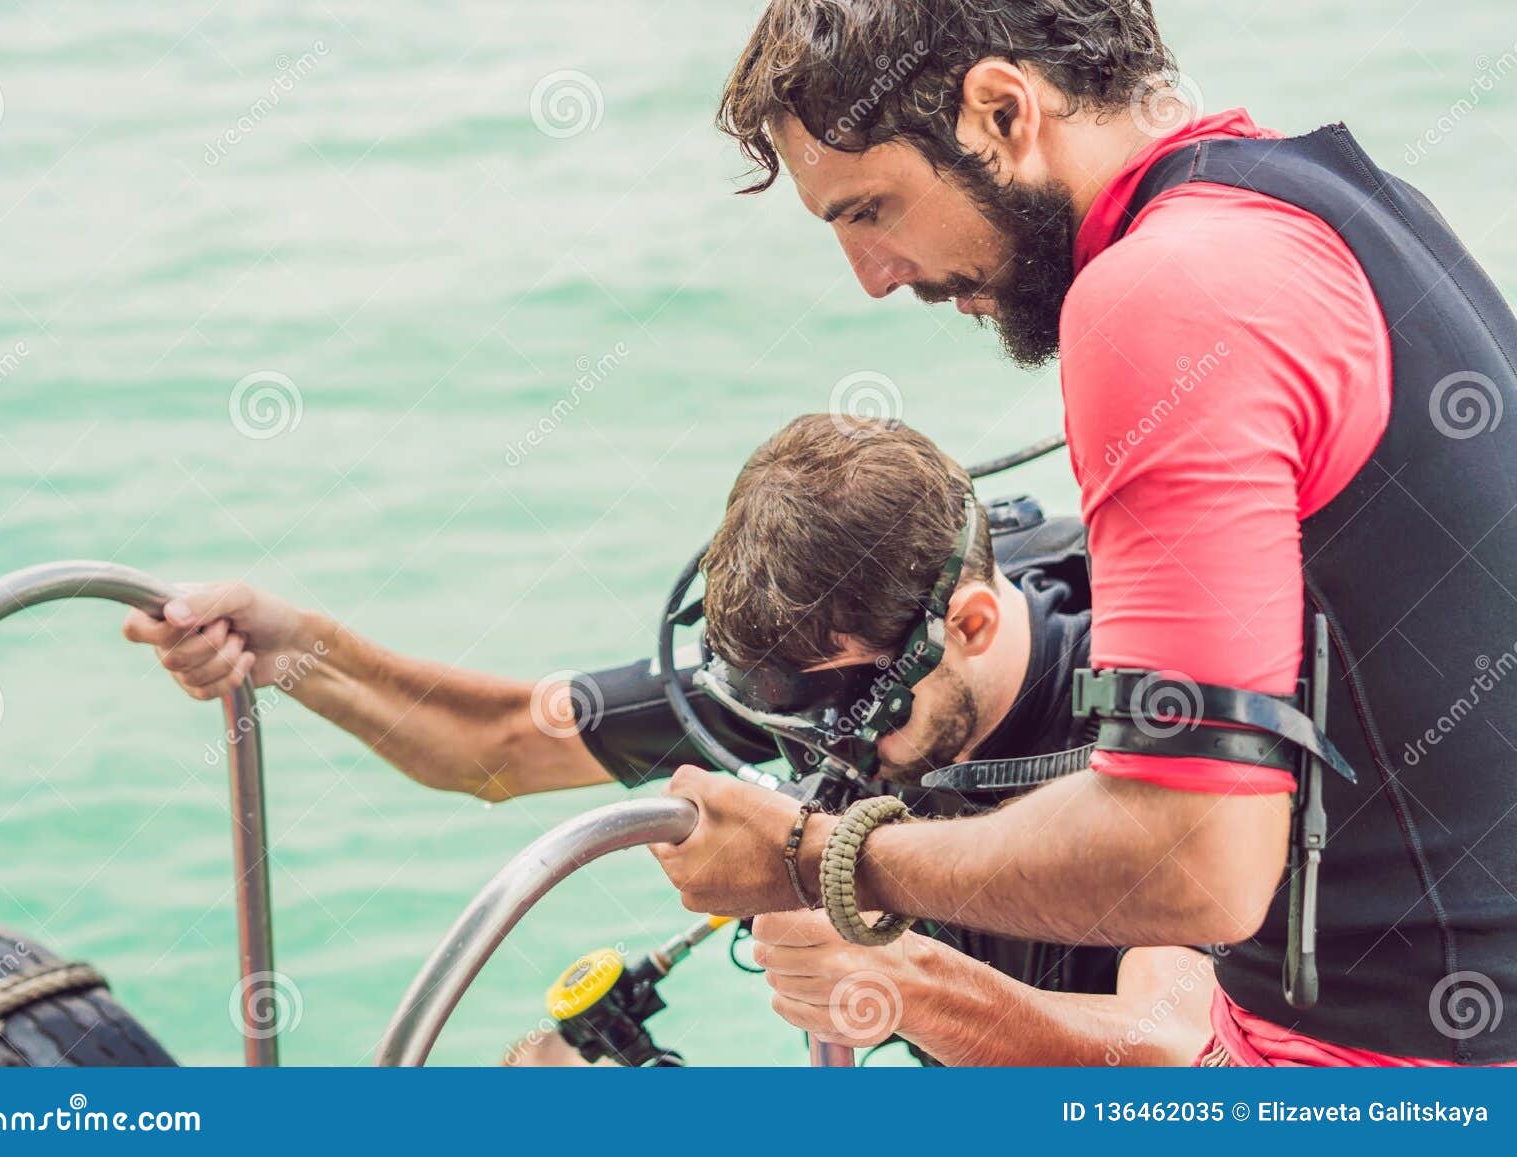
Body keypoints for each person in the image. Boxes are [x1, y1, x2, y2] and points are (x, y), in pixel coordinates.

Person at [649, 0, 1517, 1067]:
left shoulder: (1159, 293)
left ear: (1001, 111)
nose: (873, 276)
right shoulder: (1342, 210)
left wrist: (820, 857)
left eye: (871, 209)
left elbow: (1193, 858)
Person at [121, 414, 1211, 1066]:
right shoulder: (822, 674)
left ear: (966, 626)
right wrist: (295, 651)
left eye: (850, 719)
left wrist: (913, 985)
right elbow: (495, 744)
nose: (828, 754)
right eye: (784, 719)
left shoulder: (1149, 721)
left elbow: (1178, 1056)